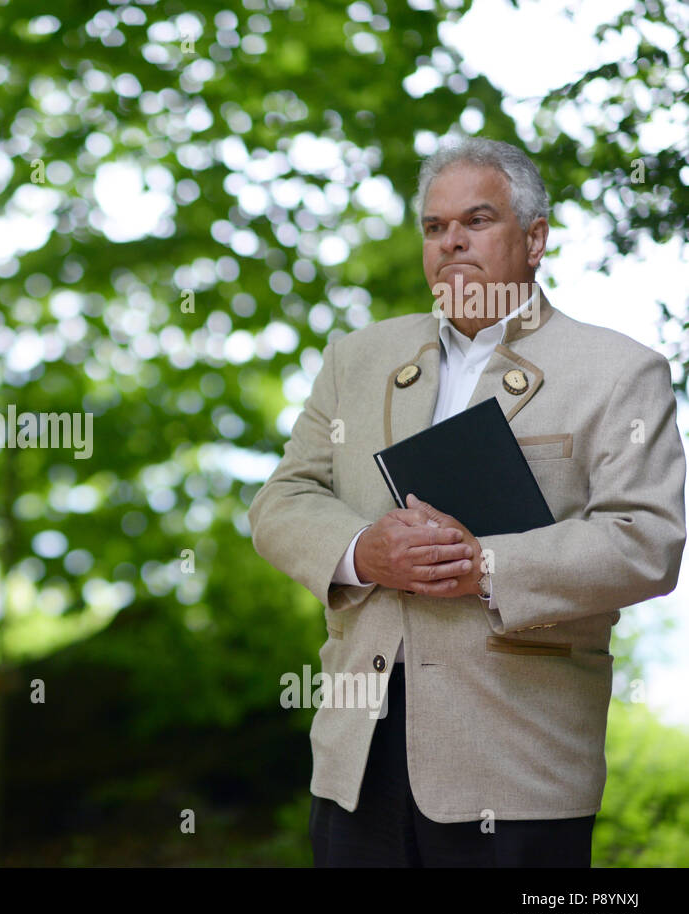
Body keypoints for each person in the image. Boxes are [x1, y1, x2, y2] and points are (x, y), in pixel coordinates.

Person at [247, 136, 686, 867]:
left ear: (535, 237)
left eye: (476, 221)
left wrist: (483, 563)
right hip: (357, 768)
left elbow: (647, 540)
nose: (451, 241)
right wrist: (362, 550)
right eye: (434, 227)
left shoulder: (620, 372)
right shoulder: (354, 359)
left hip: (517, 770)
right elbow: (282, 499)